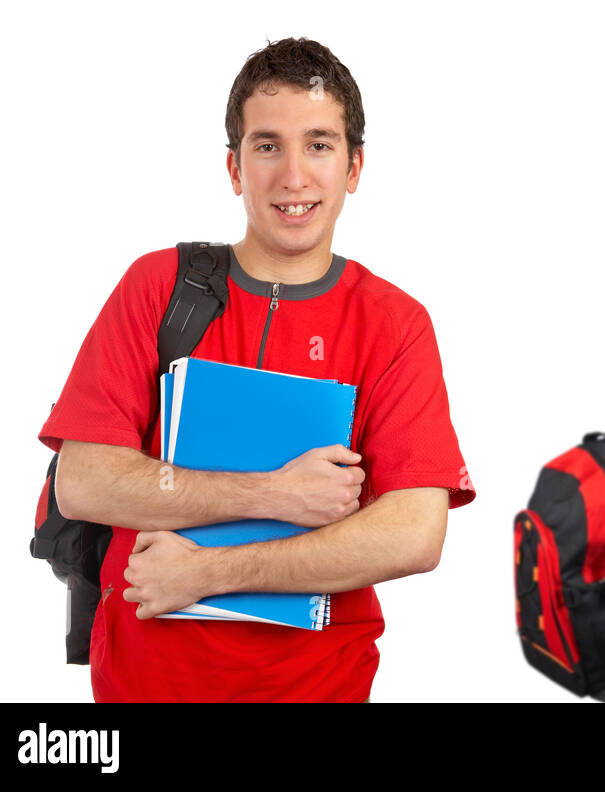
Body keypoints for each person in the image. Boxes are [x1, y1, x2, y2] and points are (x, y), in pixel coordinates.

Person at [38, 38, 475, 702]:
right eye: (267, 145)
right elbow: (83, 479)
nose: (294, 176)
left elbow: (416, 529)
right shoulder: (159, 287)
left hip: (319, 687)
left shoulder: (394, 323)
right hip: (145, 687)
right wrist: (271, 494)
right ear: (234, 168)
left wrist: (209, 572)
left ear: (355, 166)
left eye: (320, 144)